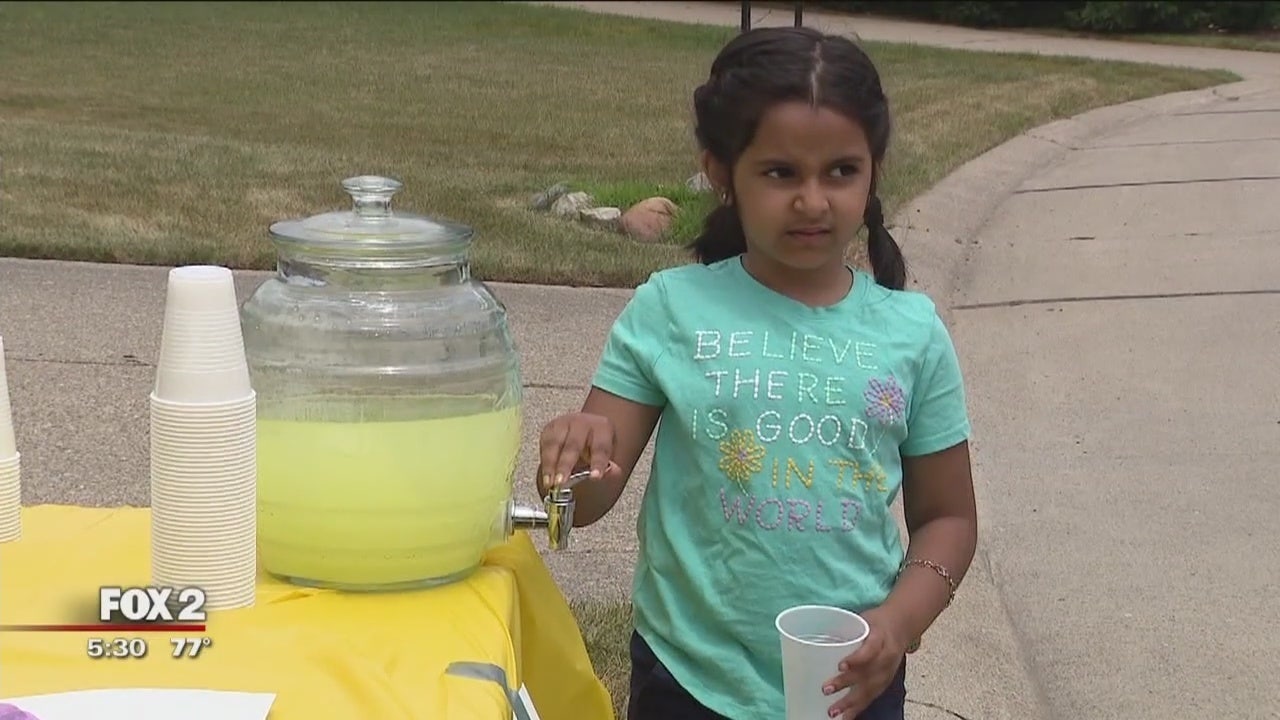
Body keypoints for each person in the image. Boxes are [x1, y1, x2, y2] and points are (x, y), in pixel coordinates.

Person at [537, 25, 978, 720]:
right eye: (780, 173)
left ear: (874, 170)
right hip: (689, 679)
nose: (813, 200)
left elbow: (948, 518)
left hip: (852, 681)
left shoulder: (912, 332)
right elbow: (585, 502)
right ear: (720, 172)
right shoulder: (671, 310)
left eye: (841, 171)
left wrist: (898, 623)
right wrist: (572, 462)